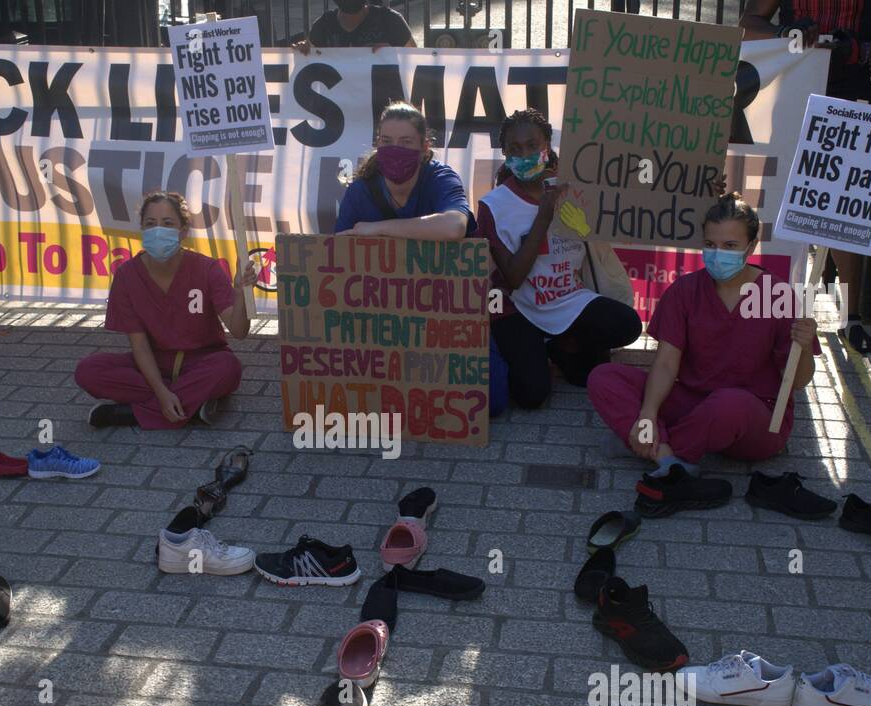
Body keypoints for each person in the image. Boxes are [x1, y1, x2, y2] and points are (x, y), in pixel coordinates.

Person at [740, 0, 871, 355]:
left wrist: (870, 48)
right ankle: (765, 306)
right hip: (792, 81)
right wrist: (785, 32)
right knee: (777, 194)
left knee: (843, 205)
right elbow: (748, 21)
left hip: (851, 85)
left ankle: (850, 317)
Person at [588, 193, 819, 472]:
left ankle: (650, 446)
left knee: (727, 405)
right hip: (692, 402)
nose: (718, 253)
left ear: (751, 246)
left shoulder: (777, 294)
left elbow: (798, 380)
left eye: (730, 245)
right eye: (711, 244)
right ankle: (664, 452)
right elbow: (664, 364)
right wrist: (648, 414)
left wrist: (804, 346)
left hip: (754, 416)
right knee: (604, 377)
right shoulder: (685, 291)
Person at [476, 109, 641, 414]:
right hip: (518, 307)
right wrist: (543, 216)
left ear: (547, 145)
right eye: (515, 149)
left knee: (627, 325)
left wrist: (700, 191)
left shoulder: (576, 186)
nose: (525, 154)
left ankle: (562, 344)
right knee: (531, 394)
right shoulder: (493, 205)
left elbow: (642, 200)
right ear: (505, 153)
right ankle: (540, 345)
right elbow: (512, 279)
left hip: (570, 299)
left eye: (532, 145)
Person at [74, 192, 257, 430]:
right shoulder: (127, 276)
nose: (158, 230)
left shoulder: (206, 269)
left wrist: (241, 293)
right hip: (152, 365)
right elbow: (139, 346)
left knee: (228, 368)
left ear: (183, 231)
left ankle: (129, 414)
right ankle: (188, 407)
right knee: (88, 371)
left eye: (168, 223)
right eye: (150, 224)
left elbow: (239, 331)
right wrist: (162, 392)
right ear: (141, 229)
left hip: (201, 362)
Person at [334, 101, 475, 241]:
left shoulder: (440, 178)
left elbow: (455, 227)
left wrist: (377, 228)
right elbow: (339, 250)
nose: (395, 149)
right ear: (378, 144)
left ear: (424, 148)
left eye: (406, 141)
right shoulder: (360, 191)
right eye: (387, 141)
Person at [294, 0, 415, 52]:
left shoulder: (390, 20)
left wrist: (393, 53)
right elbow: (307, 53)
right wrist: (301, 52)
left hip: (384, 103)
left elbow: (416, 59)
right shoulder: (324, 25)